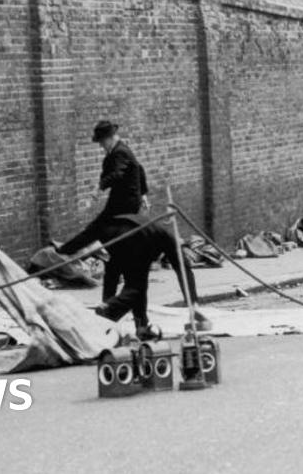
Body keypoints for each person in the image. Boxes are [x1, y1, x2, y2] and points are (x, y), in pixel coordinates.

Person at [55, 120, 206, 338]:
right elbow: (138, 169)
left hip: (125, 214)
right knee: (129, 273)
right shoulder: (123, 152)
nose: (101, 147)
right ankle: (143, 321)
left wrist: (100, 188)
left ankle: (113, 310)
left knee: (131, 276)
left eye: (102, 143)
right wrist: (143, 194)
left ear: (109, 138)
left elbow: (118, 173)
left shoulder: (119, 154)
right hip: (132, 223)